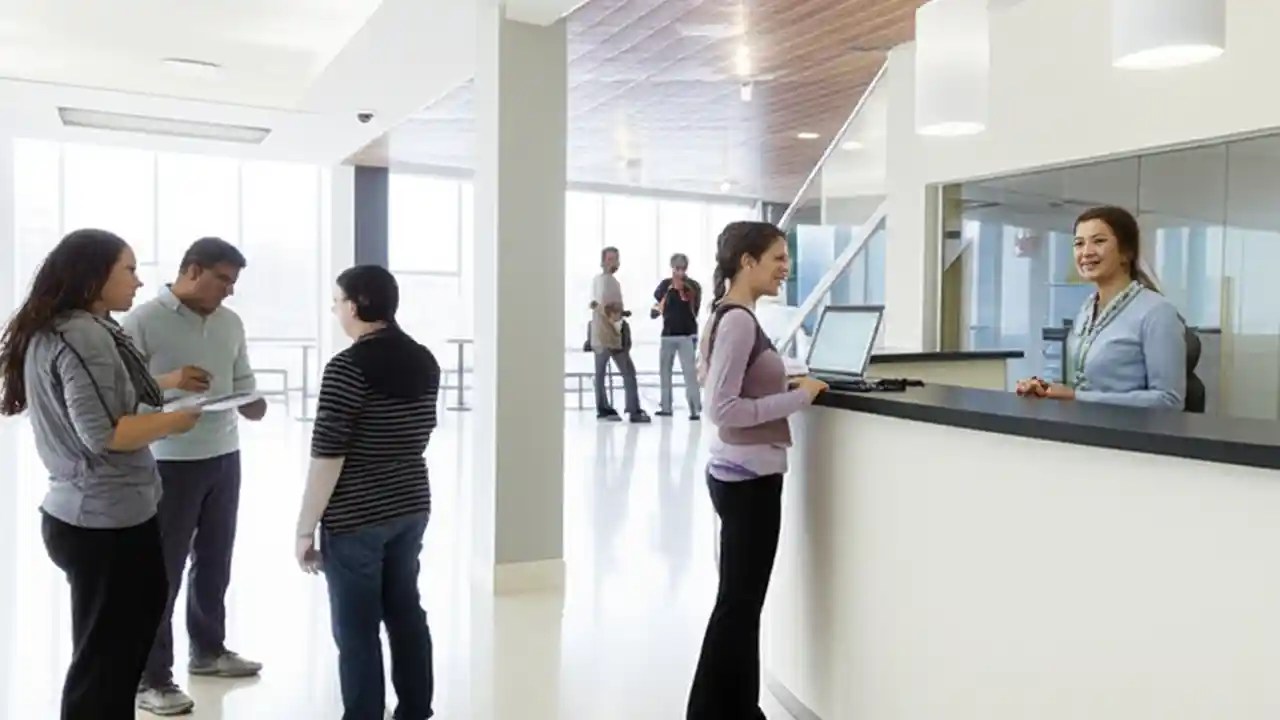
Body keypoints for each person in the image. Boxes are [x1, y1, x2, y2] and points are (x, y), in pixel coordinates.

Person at [0, 229, 202, 720]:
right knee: (105, 666)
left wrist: (170, 386)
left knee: (103, 658)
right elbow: (106, 433)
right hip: (103, 521)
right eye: (128, 269)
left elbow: (99, 394)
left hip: (89, 515)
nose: (138, 281)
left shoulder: (64, 328)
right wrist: (177, 419)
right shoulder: (83, 332)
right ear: (94, 275)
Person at [686, 221, 828, 720]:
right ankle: (713, 712)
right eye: (777, 259)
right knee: (738, 607)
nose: (785, 268)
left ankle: (738, 710)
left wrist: (783, 375)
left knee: (740, 606)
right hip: (749, 481)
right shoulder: (741, 321)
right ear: (747, 262)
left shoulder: (730, 315)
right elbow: (722, 409)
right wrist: (799, 397)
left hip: (738, 475)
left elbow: (737, 383)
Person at [123, 237, 268, 715]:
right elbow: (122, 398)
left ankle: (208, 651)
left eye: (234, 282)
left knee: (214, 560)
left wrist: (252, 403)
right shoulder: (142, 321)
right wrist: (172, 393)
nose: (228, 291)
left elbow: (243, 383)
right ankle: (151, 677)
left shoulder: (230, 323)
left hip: (225, 456)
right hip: (167, 459)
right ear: (191, 270)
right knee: (161, 571)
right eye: (222, 279)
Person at [294, 265, 440, 720]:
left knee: (356, 628)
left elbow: (328, 456)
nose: (336, 309)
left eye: (338, 301)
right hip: (411, 502)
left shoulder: (347, 367)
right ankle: (416, 709)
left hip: (357, 515)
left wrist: (304, 530)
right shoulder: (424, 359)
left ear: (354, 306)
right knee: (405, 611)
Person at [1016, 206, 1186, 409]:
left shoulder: (1157, 312)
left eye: (1099, 241)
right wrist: (1046, 389)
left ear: (1126, 252)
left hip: (1128, 436)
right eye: (1079, 243)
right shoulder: (1086, 310)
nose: (1086, 252)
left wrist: (1076, 397)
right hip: (1083, 430)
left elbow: (1169, 401)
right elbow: (1082, 384)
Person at [591, 246, 649, 423]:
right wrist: (618, 316)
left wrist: (619, 313)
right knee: (627, 372)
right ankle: (632, 410)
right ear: (603, 261)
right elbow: (606, 307)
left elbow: (597, 305)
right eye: (610, 259)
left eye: (615, 259)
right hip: (609, 334)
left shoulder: (603, 281)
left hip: (604, 334)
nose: (613, 263)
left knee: (602, 374)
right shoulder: (607, 282)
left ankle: (605, 409)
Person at [651, 253, 703, 420]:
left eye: (682, 268)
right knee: (665, 372)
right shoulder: (665, 285)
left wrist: (682, 290)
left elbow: (694, 305)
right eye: (676, 268)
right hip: (667, 334)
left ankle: (695, 409)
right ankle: (666, 406)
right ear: (672, 267)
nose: (679, 271)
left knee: (689, 373)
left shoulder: (693, 286)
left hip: (687, 335)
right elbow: (659, 302)